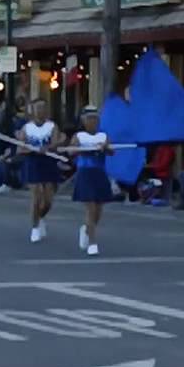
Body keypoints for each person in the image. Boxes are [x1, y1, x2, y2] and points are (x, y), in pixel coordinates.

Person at [18, 98, 62, 243]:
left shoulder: (52, 126)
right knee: (36, 196)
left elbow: (55, 143)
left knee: (48, 200)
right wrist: (30, 149)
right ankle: (35, 228)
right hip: (33, 163)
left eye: (43, 108)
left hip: (48, 162)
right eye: (38, 108)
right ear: (33, 110)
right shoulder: (26, 128)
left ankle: (41, 216)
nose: (40, 111)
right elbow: (20, 148)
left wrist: (47, 148)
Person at [70, 106, 112, 257]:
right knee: (91, 208)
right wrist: (84, 149)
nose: (92, 122)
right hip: (85, 174)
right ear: (84, 121)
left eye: (95, 119)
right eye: (89, 119)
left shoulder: (103, 136)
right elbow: (71, 151)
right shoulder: (79, 136)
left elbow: (112, 151)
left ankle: (87, 229)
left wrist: (105, 148)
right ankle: (93, 243)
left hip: (99, 174)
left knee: (98, 210)